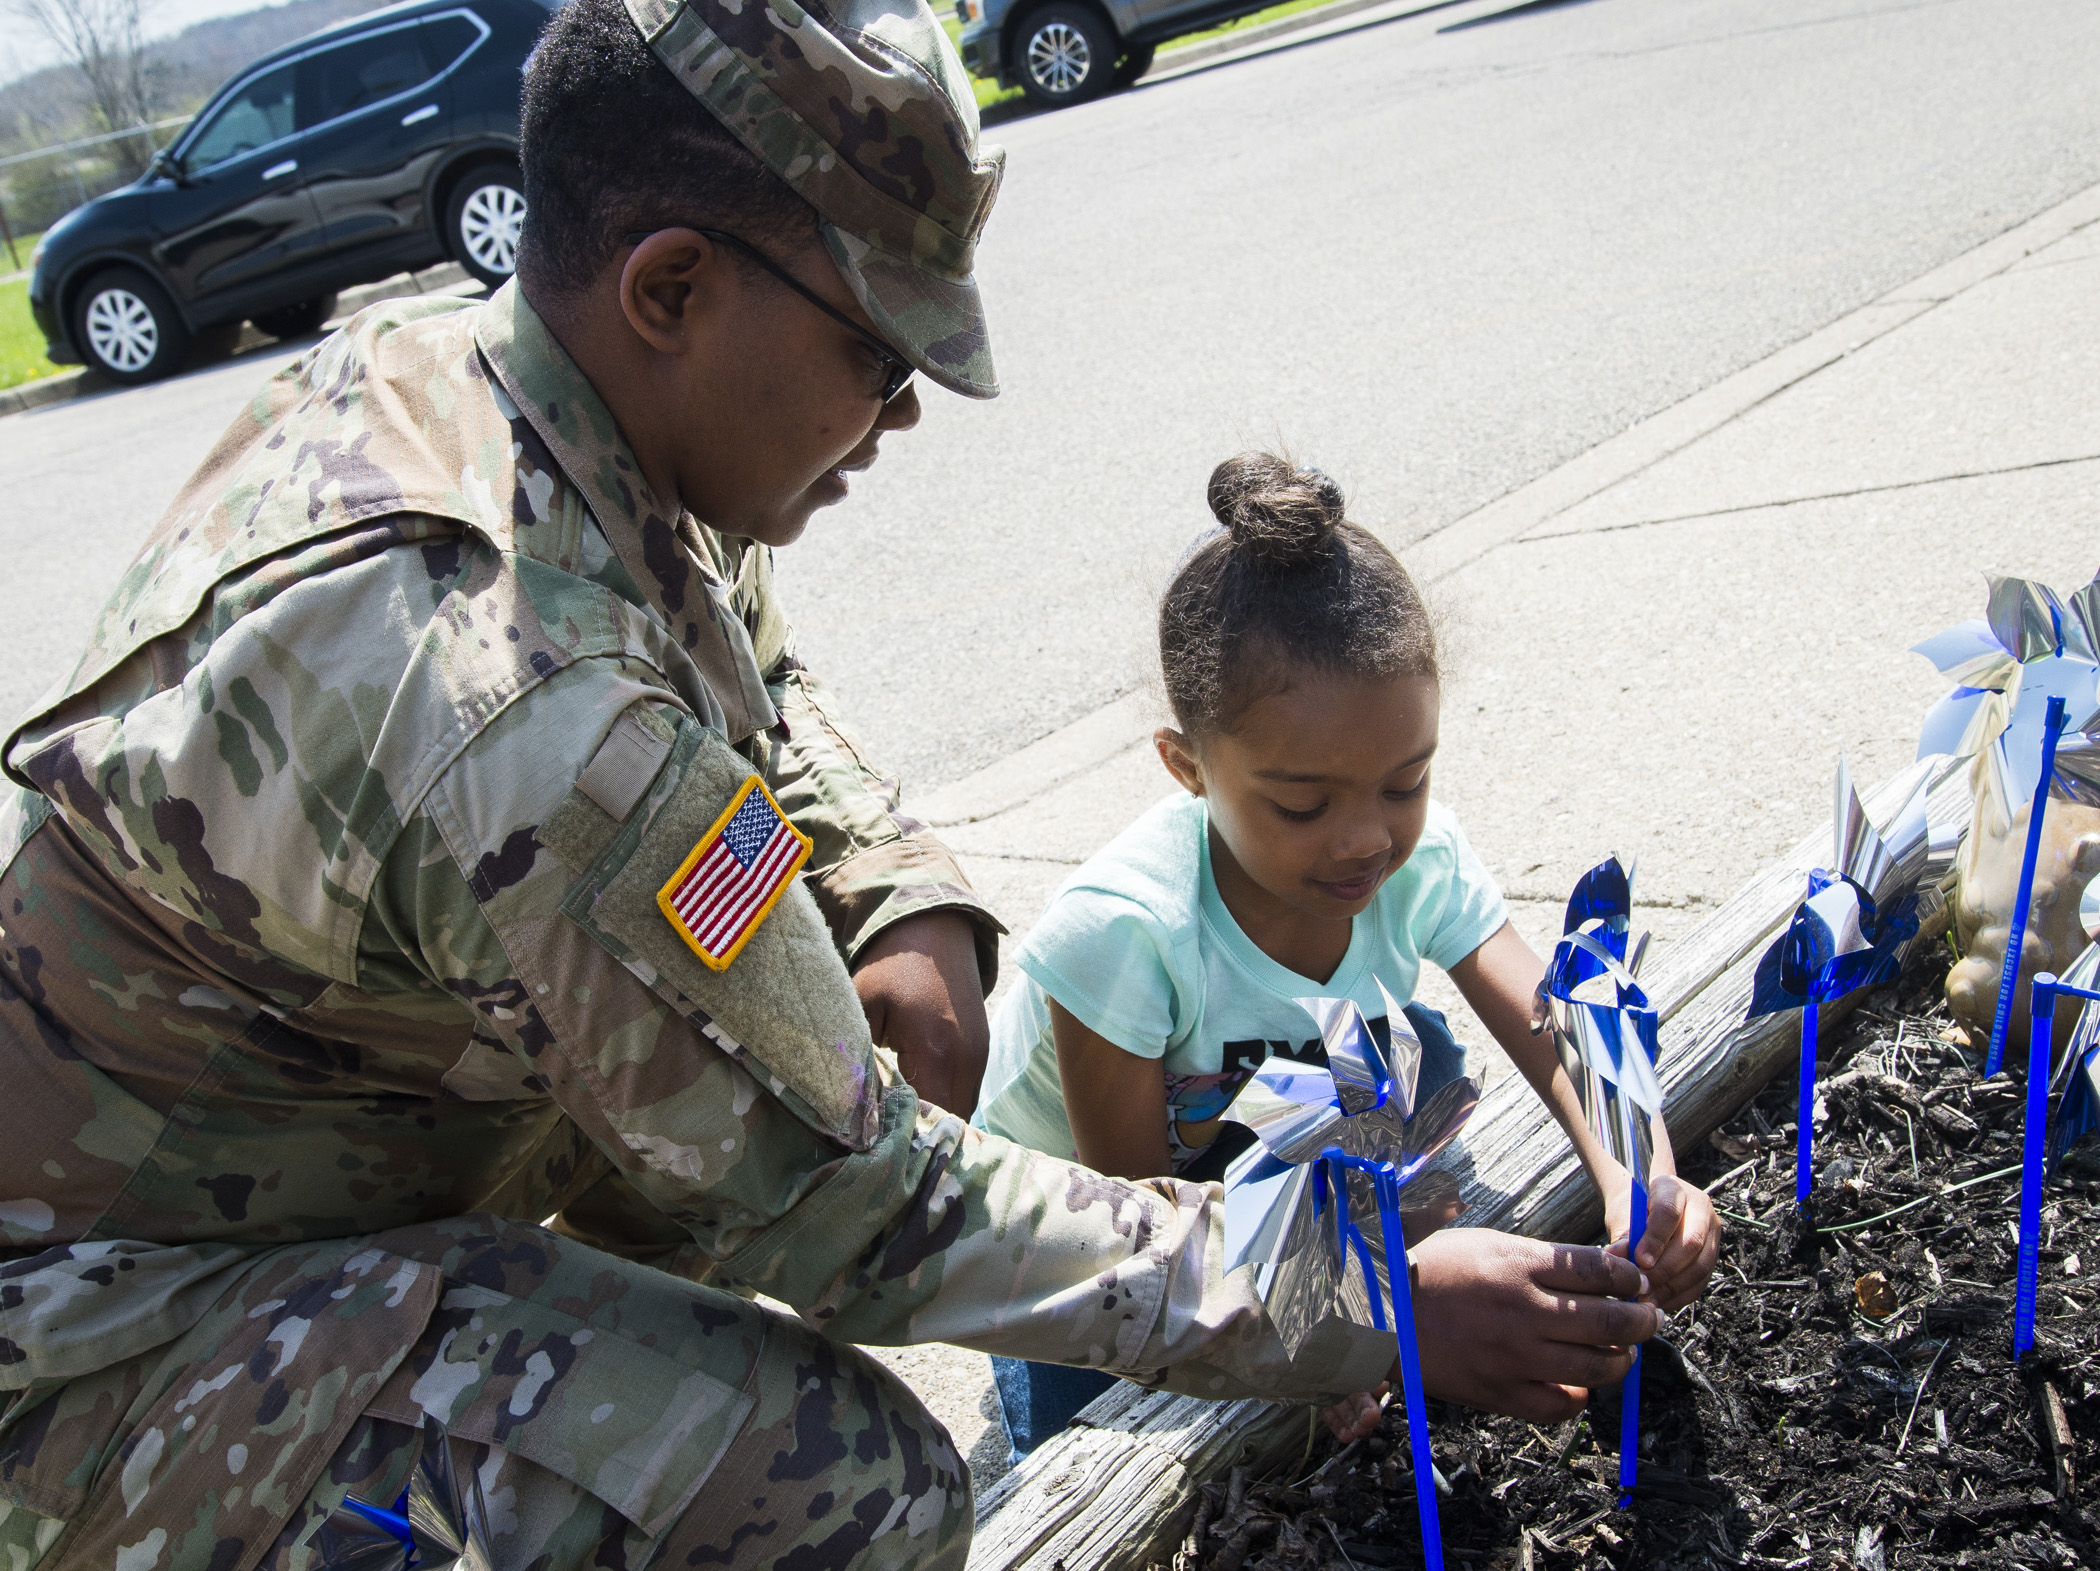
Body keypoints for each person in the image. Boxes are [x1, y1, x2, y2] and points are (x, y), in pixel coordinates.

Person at [0, 6, 1665, 1570]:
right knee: (839, 1489)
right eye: (879, 352)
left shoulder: (483, 397)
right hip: (107, 1348)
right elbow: (863, 1219)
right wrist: (1363, 1294)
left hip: (320, 1179)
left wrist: (896, 888)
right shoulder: (532, 716)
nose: (906, 413)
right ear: (670, 288)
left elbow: (739, 644)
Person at [976, 453, 1722, 1457]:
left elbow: (1552, 1027)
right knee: (1118, 1439)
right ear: (1186, 766)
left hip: (1261, 1119)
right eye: (1302, 803)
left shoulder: (1416, 857)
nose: (1367, 837)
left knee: (1422, 1058)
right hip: (1088, 1210)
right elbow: (1147, 1238)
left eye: (1404, 782)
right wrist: (1326, 1336)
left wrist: (1640, 1174)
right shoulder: (1124, 934)